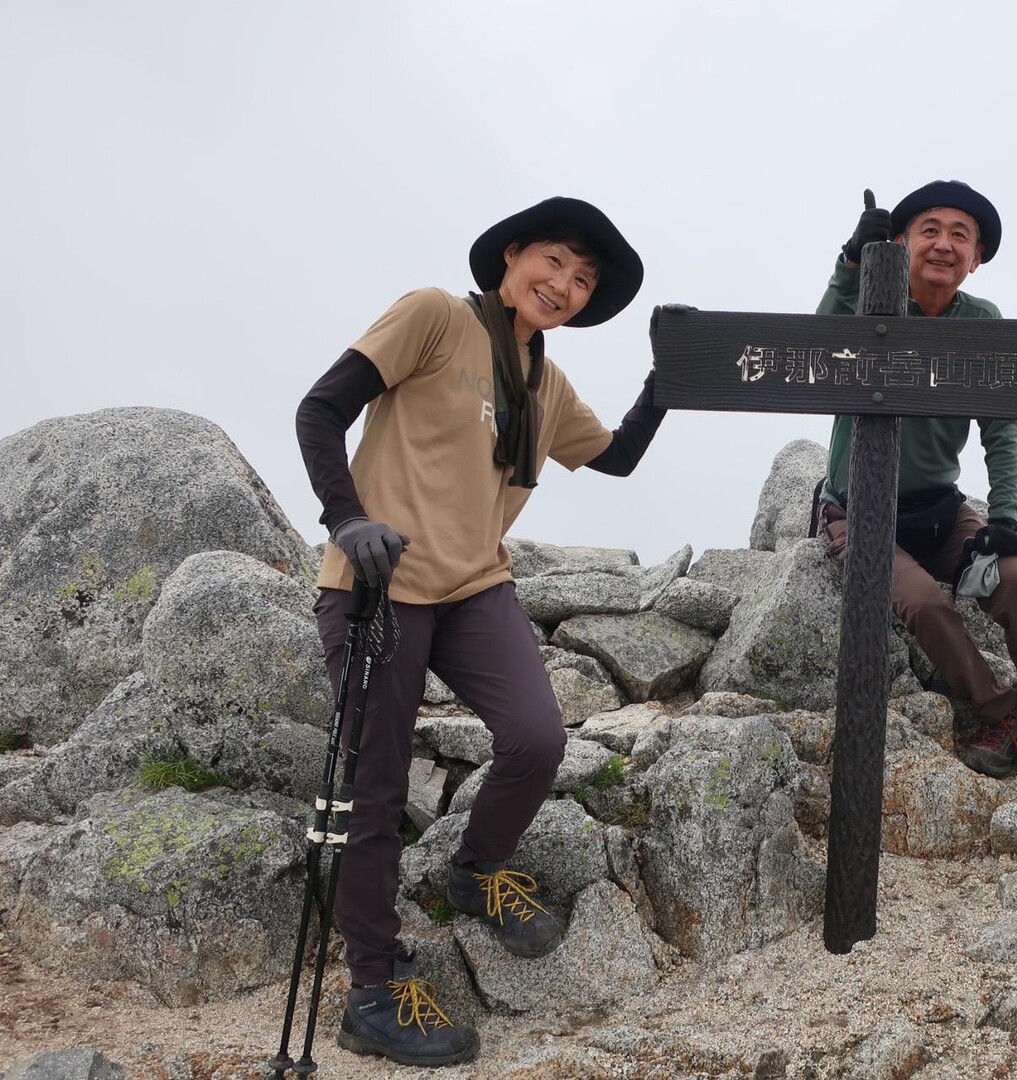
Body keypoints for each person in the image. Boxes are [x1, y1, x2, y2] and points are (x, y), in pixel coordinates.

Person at [294, 196, 666, 1066]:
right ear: (511, 256)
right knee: (377, 786)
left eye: (583, 280)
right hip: (380, 583)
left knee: (537, 737)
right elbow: (321, 410)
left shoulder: (548, 385)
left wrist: (668, 380)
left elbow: (615, 456)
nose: (564, 285)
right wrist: (346, 519)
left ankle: (474, 870)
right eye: (555, 261)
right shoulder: (434, 316)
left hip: (474, 587)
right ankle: (372, 992)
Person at [814, 180, 1017, 780]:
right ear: (900, 244)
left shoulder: (981, 322)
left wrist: (1005, 517)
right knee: (924, 602)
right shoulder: (869, 304)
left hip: (940, 509)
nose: (944, 244)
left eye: (961, 235)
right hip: (857, 513)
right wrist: (852, 261)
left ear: (977, 258)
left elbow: (1001, 428)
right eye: (928, 230)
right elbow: (818, 347)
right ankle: (1001, 716)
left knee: (1016, 581)